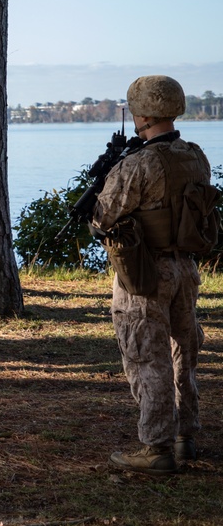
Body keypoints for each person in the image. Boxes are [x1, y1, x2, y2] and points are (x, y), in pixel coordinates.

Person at [91, 75, 213, 475]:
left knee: (147, 355)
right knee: (184, 352)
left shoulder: (139, 163)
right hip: (186, 268)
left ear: (141, 112)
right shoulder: (195, 156)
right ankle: (185, 437)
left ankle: (156, 446)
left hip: (146, 272)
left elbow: (103, 218)